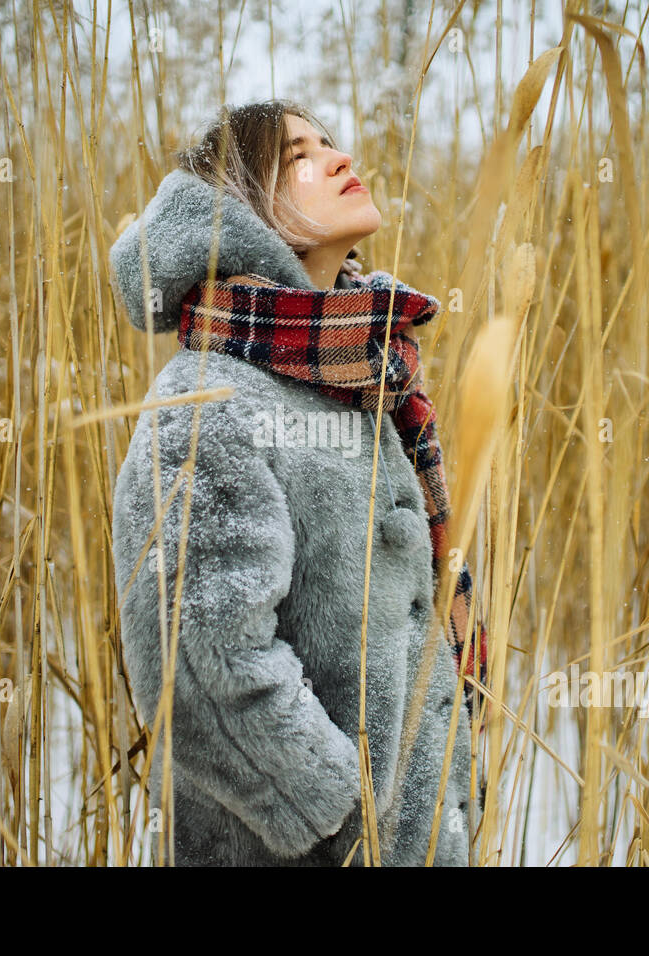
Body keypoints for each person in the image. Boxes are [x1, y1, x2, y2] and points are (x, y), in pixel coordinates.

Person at [108, 99, 485, 866]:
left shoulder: (353, 374)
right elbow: (197, 669)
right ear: (240, 207)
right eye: (299, 157)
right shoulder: (209, 403)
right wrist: (350, 823)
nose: (342, 158)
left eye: (332, 141)